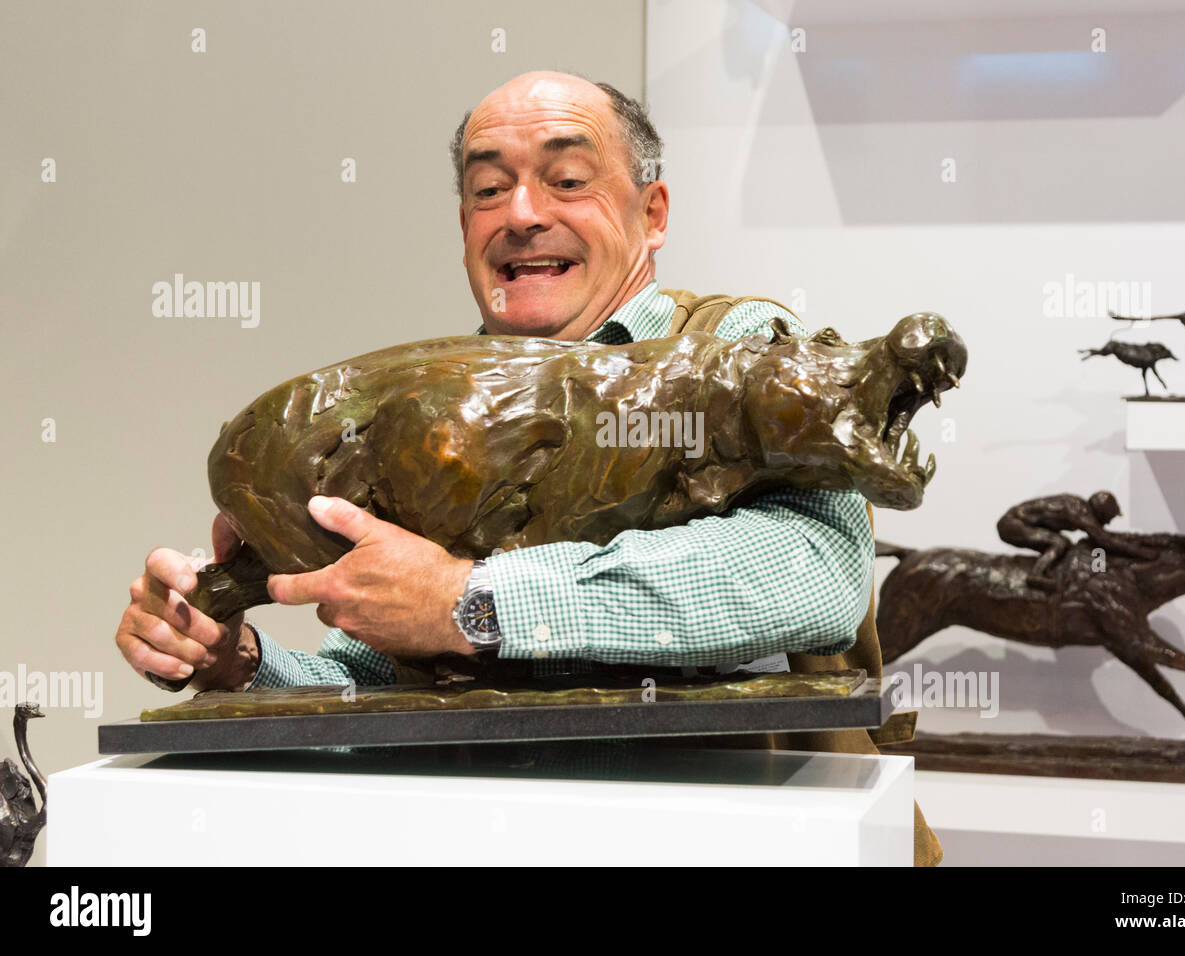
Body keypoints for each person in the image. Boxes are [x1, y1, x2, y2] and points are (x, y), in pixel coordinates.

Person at [114, 71, 942, 864]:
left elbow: (811, 577)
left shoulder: (745, 349)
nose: (521, 213)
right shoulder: (438, 428)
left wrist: (470, 602)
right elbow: (398, 677)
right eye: (486, 190)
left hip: (753, 841)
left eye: (568, 178)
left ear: (651, 213)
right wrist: (241, 664)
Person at [996, 490, 1155, 589]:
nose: (1108, 522)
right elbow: (1103, 540)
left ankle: (1047, 569)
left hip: (1019, 524)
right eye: (1109, 518)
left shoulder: (1080, 507)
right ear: (1102, 512)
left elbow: (1103, 538)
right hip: (1013, 524)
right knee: (1060, 542)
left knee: (1063, 545)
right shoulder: (1080, 510)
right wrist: (1141, 553)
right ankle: (1036, 575)